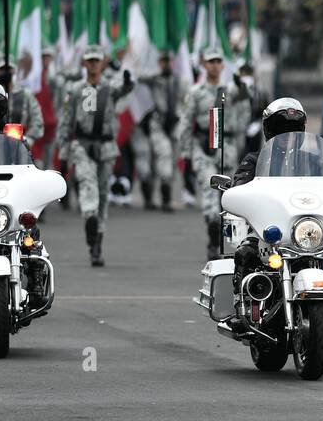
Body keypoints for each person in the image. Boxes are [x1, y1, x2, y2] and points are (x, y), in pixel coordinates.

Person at [59, 47, 134, 267]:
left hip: (106, 146)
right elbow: (66, 122)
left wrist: (129, 80)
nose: (93, 65)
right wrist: (63, 154)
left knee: (102, 192)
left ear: (102, 64)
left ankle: (96, 242)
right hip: (83, 145)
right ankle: (89, 217)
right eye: (89, 61)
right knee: (87, 182)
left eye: (97, 61)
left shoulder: (110, 88)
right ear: (84, 63)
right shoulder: (74, 89)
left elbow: (125, 88)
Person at [176, 48, 252, 260]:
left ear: (223, 65)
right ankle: (212, 242)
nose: (214, 65)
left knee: (230, 200)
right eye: (210, 61)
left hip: (226, 148)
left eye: (218, 61)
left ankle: (234, 243)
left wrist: (242, 85)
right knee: (210, 200)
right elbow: (185, 123)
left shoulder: (229, 91)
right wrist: (186, 152)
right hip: (204, 148)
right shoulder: (196, 92)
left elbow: (246, 101)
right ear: (203, 64)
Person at [228, 97, 309, 294]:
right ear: (270, 132)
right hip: (265, 228)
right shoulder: (254, 160)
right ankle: (243, 301)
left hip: (303, 228)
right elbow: (238, 187)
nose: (287, 137)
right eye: (281, 132)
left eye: (292, 132)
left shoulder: (312, 161)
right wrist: (238, 192)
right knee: (246, 252)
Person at [131, 51, 182, 212]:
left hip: (174, 125)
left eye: (168, 61)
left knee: (170, 160)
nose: (166, 64)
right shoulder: (155, 79)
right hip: (157, 124)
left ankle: (161, 193)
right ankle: (161, 198)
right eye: (163, 61)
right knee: (162, 155)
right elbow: (138, 77)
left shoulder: (178, 80)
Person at [0, 60, 45, 154]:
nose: (5, 72)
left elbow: (37, 120)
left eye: (8, 69)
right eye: (2, 69)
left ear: (14, 71)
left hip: (22, 147)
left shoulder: (26, 94)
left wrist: (29, 139)